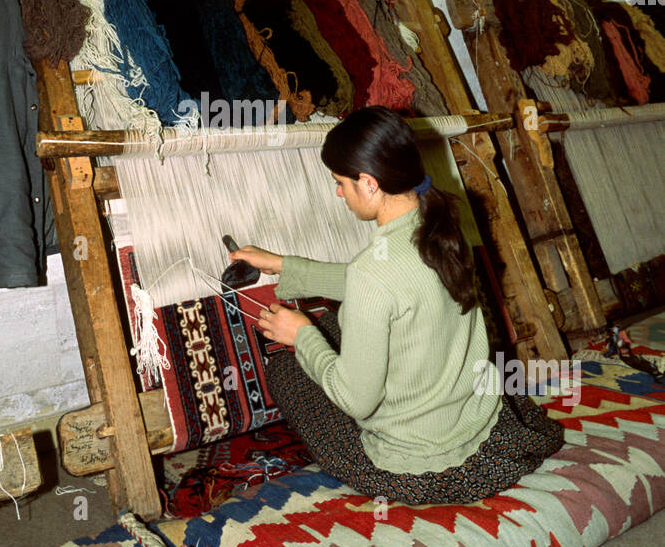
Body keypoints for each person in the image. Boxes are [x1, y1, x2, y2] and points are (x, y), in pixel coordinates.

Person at [228, 106, 564, 505]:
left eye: (340, 183)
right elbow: (389, 286)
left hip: (415, 467)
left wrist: (301, 335)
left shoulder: (375, 270)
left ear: (368, 184)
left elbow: (357, 400)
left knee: (287, 369)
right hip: (481, 427)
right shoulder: (441, 219)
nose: (338, 193)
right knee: (339, 327)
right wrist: (283, 265)